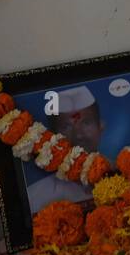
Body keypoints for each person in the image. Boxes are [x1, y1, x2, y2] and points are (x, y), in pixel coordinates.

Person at [24, 85, 101, 214]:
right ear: (53, 138)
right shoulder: (35, 198)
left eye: (86, 123)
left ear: (101, 128)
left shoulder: (127, 177)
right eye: (66, 126)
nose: (78, 134)